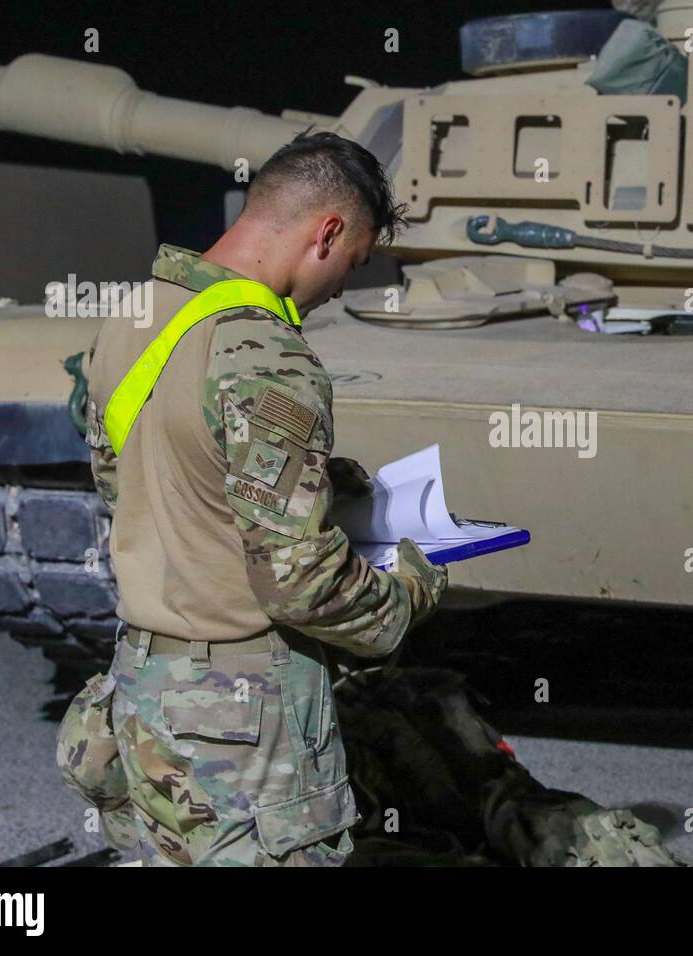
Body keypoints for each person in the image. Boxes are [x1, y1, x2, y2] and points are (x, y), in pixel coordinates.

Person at [56, 130, 447, 867]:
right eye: (353, 261)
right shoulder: (266, 352)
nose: (341, 288)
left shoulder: (137, 313)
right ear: (325, 232)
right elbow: (299, 582)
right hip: (241, 723)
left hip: (139, 688)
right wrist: (407, 596)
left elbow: (123, 481)